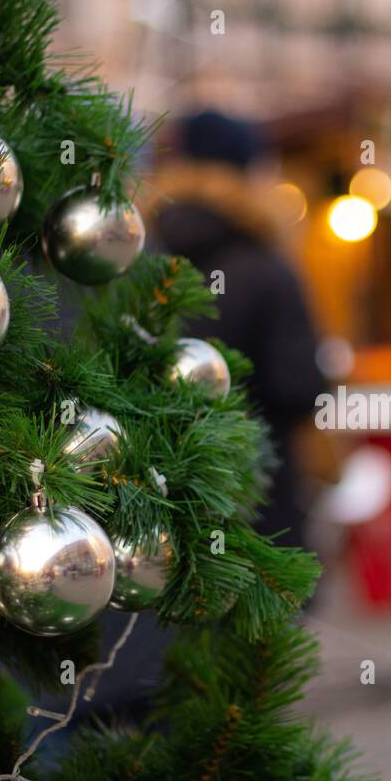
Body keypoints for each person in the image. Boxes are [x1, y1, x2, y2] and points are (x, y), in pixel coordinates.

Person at [146, 110, 324, 550]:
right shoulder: (267, 268)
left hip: (154, 503)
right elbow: (301, 387)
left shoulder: (140, 259)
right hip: (255, 496)